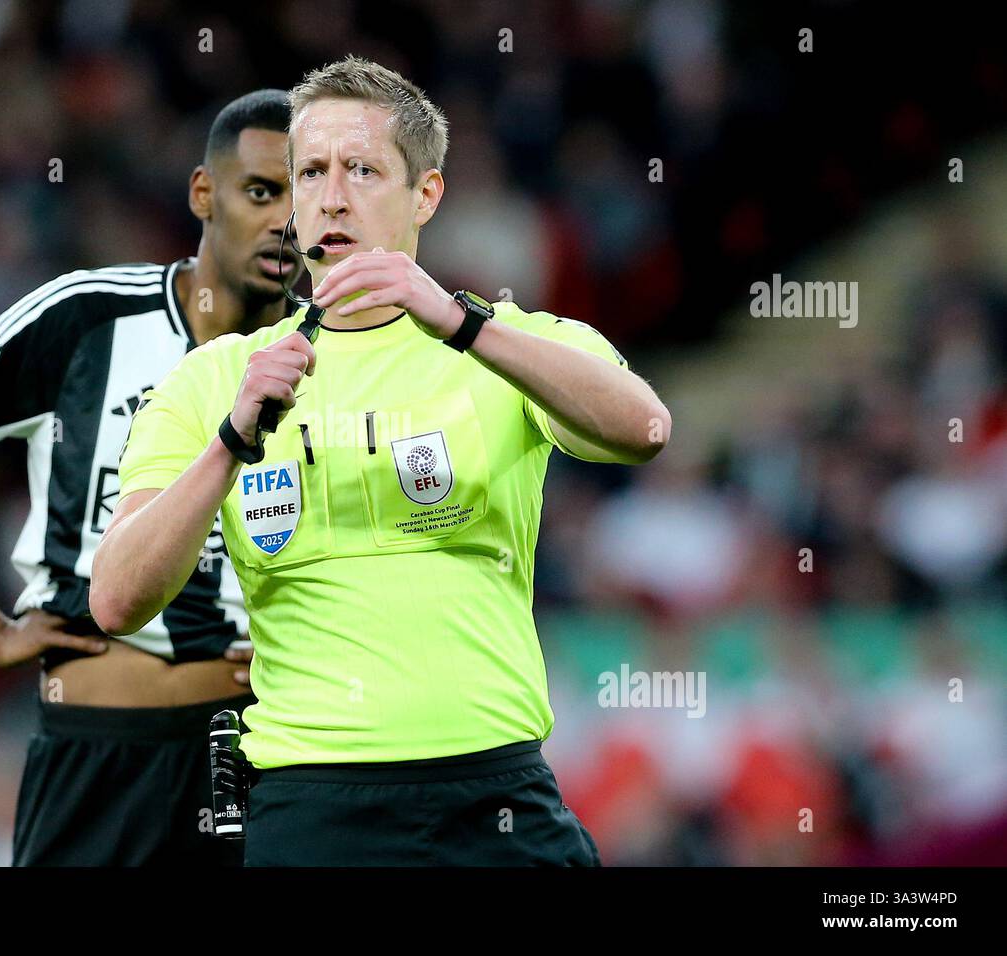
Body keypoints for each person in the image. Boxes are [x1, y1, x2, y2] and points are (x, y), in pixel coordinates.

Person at [90, 58, 672, 866]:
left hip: (495, 800)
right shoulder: (217, 380)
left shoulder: (505, 344)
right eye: (311, 173)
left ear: (425, 194)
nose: (333, 196)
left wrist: (459, 323)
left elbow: (643, 427)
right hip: (314, 810)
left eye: (362, 169)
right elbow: (115, 598)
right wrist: (230, 442)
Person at [0, 89, 299, 866]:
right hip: (97, 753)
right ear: (203, 194)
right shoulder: (86, 317)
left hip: (261, 753)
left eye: (306, 193)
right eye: (261, 191)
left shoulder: (338, 351)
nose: (287, 218)